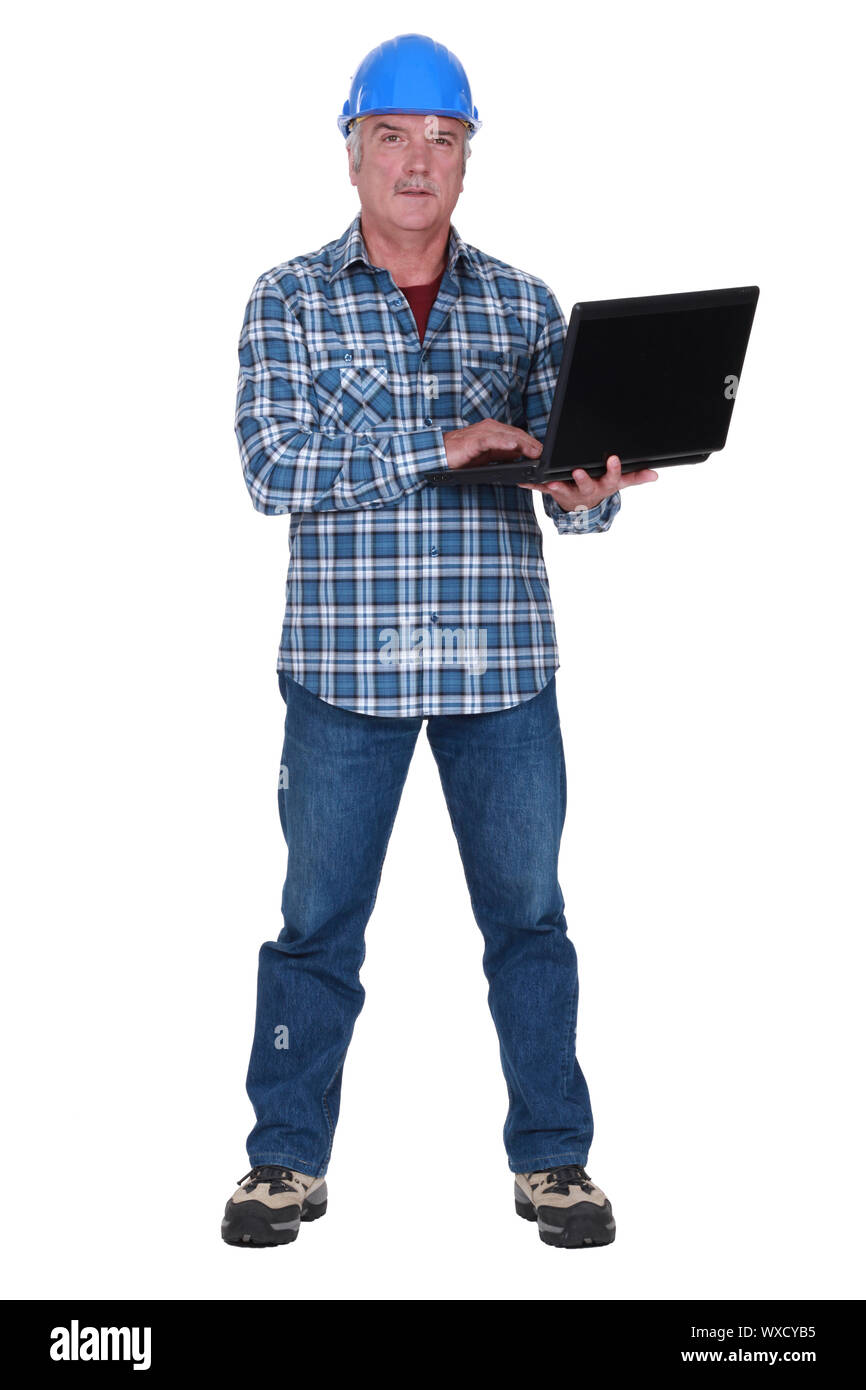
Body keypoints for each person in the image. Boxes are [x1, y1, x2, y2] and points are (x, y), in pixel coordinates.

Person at [223, 33, 658, 1251]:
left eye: (444, 139)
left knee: (528, 916)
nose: (419, 161)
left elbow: (576, 469)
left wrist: (590, 488)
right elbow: (270, 469)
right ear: (352, 150)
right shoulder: (287, 299)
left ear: (468, 157)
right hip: (344, 675)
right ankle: (281, 1161)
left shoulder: (523, 304)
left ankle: (555, 1162)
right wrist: (441, 446)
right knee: (316, 922)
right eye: (395, 137)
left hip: (498, 669)